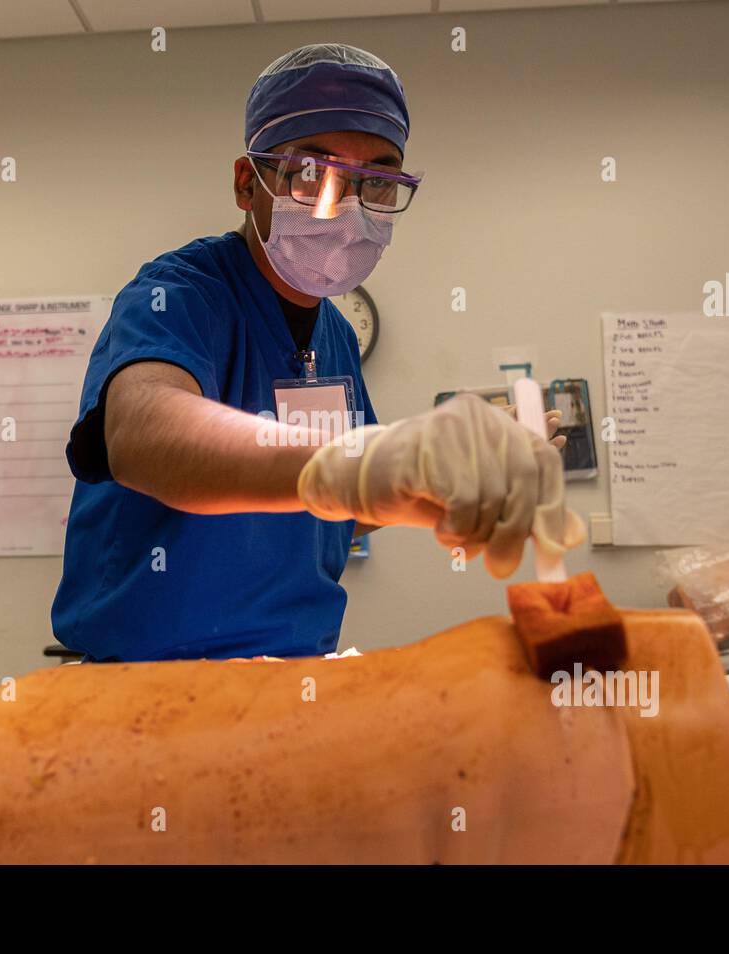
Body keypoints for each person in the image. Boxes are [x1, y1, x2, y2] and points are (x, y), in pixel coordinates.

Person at [52, 43, 575, 663]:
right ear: (249, 183)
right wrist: (368, 461)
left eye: (377, 181)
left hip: (297, 671)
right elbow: (147, 438)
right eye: (313, 174)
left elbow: (338, 508)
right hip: (150, 683)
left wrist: (449, 480)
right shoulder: (178, 295)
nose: (348, 206)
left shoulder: (336, 338)